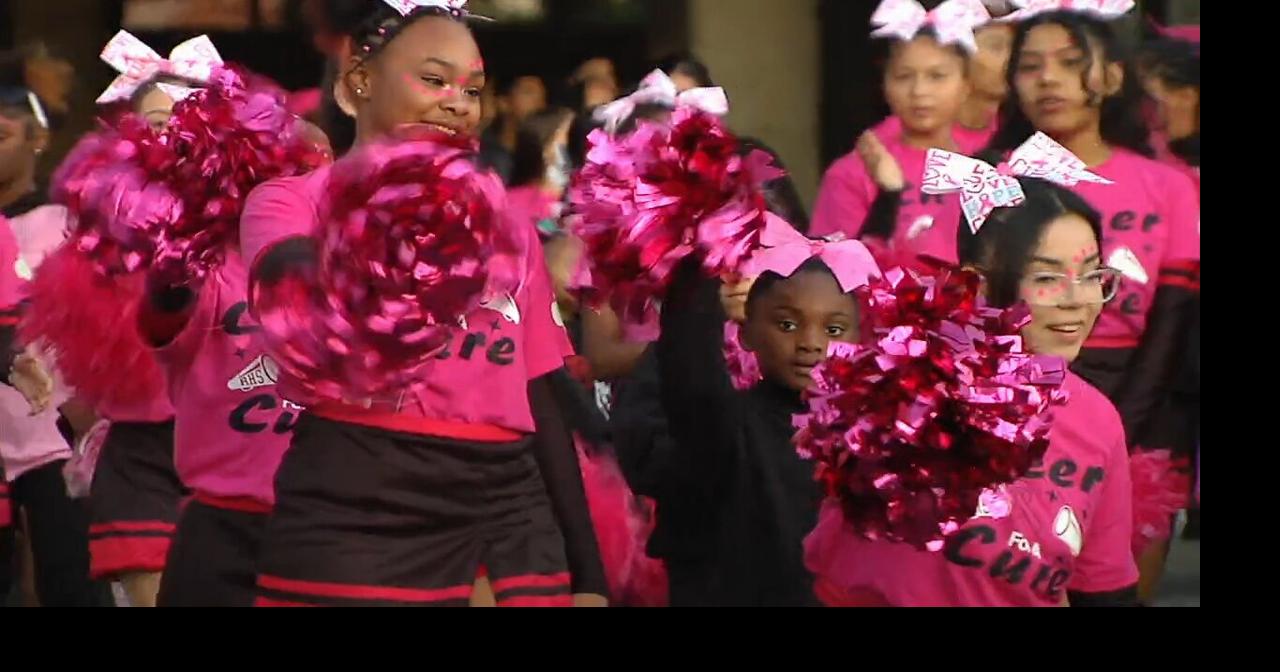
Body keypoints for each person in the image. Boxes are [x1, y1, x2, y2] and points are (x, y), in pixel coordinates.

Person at [242, 0, 606, 607]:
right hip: (362, 490)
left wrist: (590, 575)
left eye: (473, 90)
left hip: (505, 498)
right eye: (435, 80)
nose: (458, 103)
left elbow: (540, 391)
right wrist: (391, 212)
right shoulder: (291, 202)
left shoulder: (503, 220)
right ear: (359, 80)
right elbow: (291, 307)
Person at [806, 164, 1139, 607]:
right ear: (976, 284)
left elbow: (1103, 588)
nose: (1078, 300)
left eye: (1093, 276)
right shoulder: (906, 389)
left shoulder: (1097, 419)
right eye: (1046, 278)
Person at [989, 5, 1199, 603]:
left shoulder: (1169, 184)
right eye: (1031, 66)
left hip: (1142, 401)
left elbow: (1174, 320)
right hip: (1009, 400)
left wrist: (1114, 431)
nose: (1048, 79)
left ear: (1111, 76)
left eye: (1069, 62)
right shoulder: (990, 180)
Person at [652, 224, 878, 606]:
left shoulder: (873, 442)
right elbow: (692, 375)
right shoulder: (727, 424)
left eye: (834, 329)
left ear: (859, 340)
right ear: (746, 331)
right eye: (787, 324)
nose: (811, 343)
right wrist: (702, 247)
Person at [811, 0, 989, 267]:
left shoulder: (988, 164)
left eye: (937, 76)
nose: (919, 91)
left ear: (966, 85)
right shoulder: (851, 173)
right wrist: (888, 195)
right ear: (884, 84)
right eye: (904, 76)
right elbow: (833, 272)